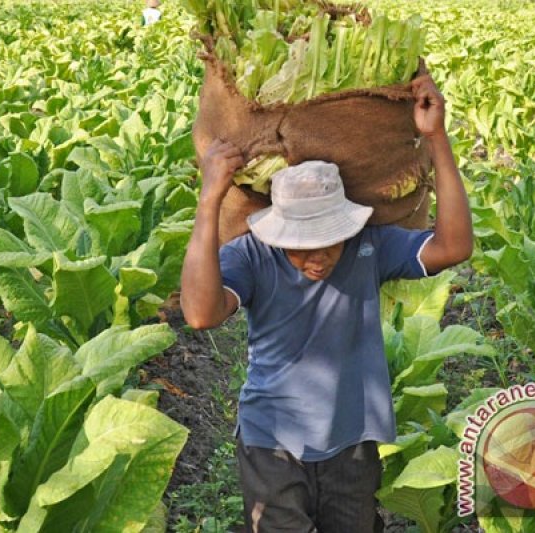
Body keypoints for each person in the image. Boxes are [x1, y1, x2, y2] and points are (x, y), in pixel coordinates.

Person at [180, 74, 472, 532]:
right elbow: (199, 314)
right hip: (271, 442)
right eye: (301, 245)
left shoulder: (368, 247)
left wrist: (435, 137)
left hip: (352, 443)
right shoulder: (252, 255)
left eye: (329, 239)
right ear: (278, 232)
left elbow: (453, 247)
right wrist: (209, 200)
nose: (317, 256)